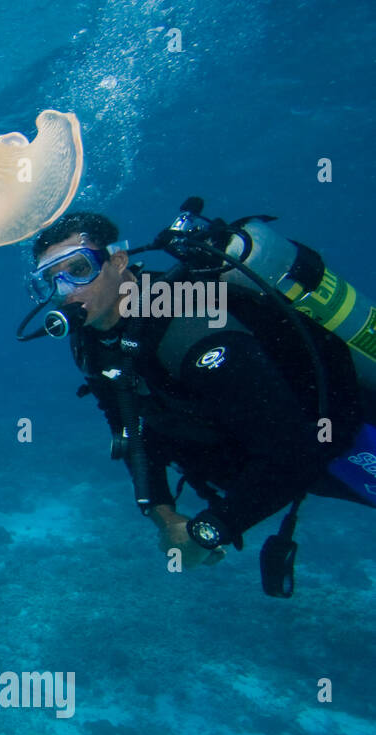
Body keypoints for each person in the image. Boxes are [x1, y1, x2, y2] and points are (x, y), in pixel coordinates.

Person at [24, 208, 373, 593]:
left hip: (352, 440)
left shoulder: (191, 328)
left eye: (78, 269)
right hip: (276, 464)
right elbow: (131, 431)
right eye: (50, 281)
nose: (67, 290)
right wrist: (164, 516)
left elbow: (293, 456)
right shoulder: (92, 341)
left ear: (118, 261)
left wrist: (208, 530)